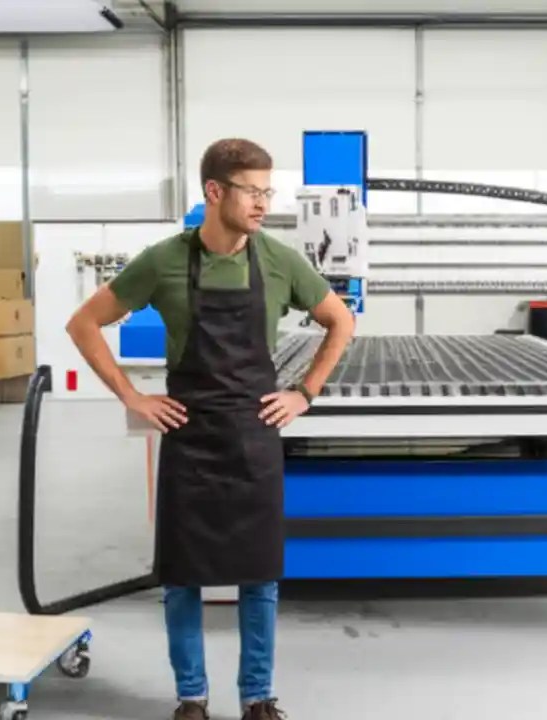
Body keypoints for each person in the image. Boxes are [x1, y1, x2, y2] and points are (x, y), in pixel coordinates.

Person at [65, 138, 356, 720]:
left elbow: (340, 321)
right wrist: (131, 395)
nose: (263, 204)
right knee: (181, 579)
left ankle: (257, 698)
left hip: (253, 439)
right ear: (214, 192)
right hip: (191, 442)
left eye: (268, 191)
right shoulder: (164, 260)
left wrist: (304, 393)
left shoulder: (277, 259)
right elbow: (84, 323)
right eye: (253, 191)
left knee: (259, 579)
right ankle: (191, 698)